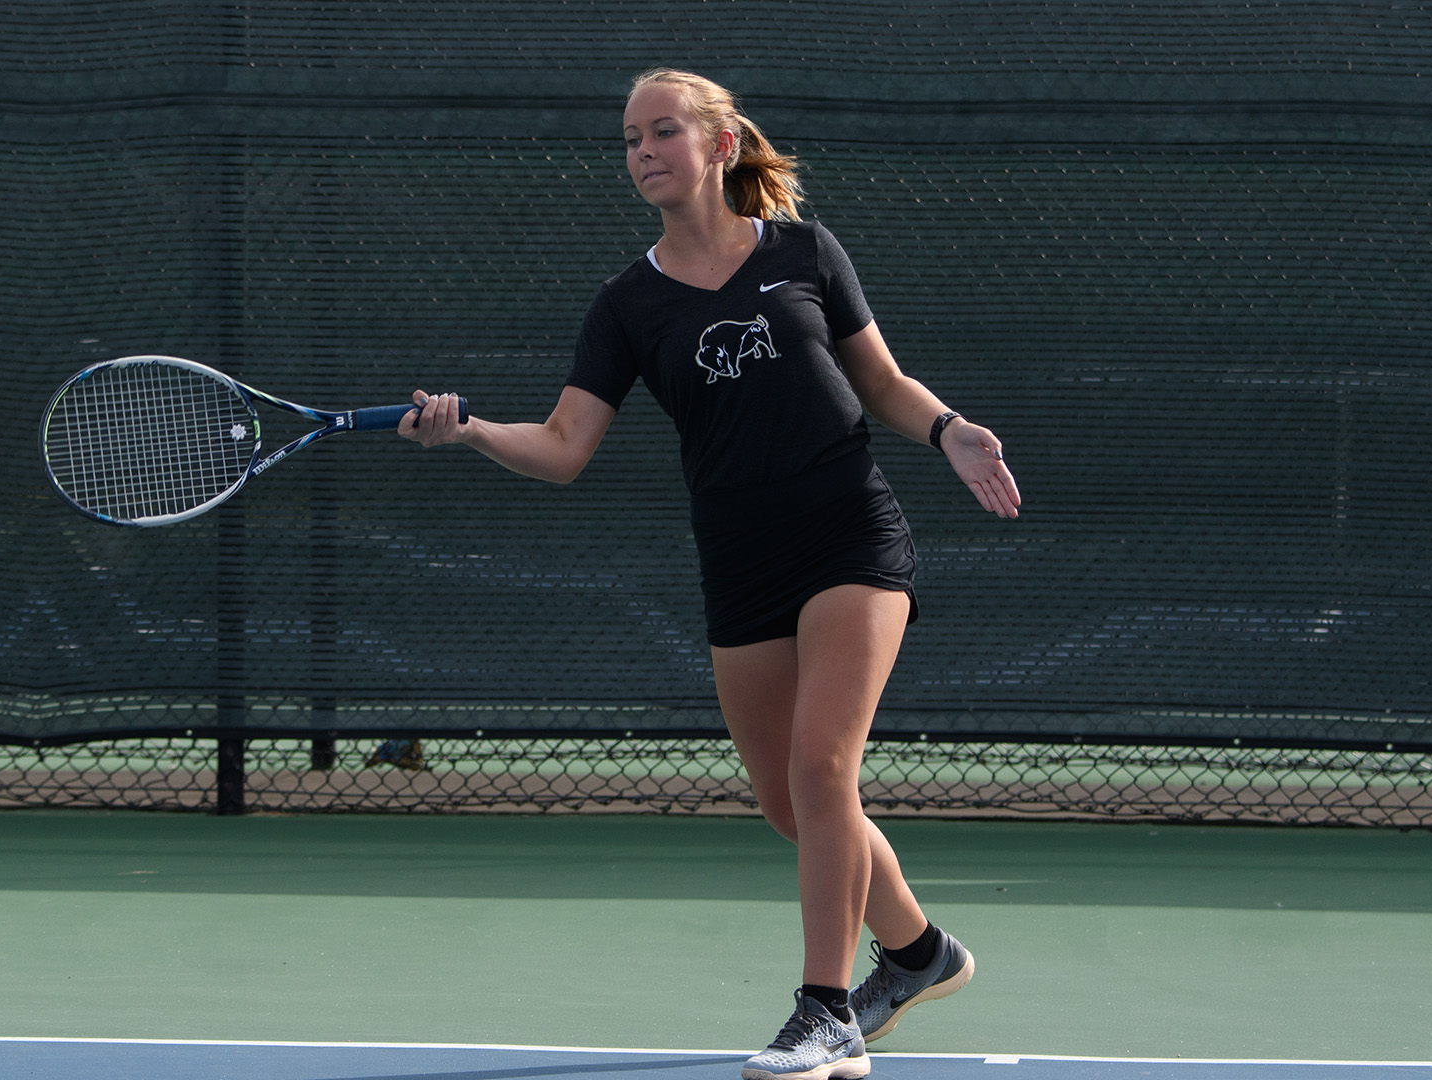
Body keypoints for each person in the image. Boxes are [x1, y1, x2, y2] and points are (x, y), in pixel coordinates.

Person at [400, 68, 1020, 1080]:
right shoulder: (627, 306)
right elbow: (564, 446)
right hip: (741, 563)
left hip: (850, 537)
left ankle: (826, 1014)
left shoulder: (805, 253)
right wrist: (467, 431)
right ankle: (916, 953)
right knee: (792, 805)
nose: (643, 151)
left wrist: (947, 428)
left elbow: (882, 383)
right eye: (631, 139)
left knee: (825, 772)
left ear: (720, 145)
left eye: (663, 132)